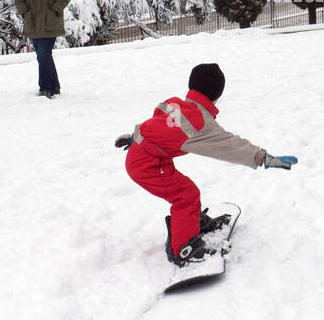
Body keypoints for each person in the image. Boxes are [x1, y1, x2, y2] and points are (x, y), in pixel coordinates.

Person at [115, 63, 298, 266]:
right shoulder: (200, 124)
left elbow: (155, 124)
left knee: (187, 191)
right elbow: (231, 146)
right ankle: (182, 248)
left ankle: (190, 223)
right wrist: (263, 158)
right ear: (217, 95)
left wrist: (133, 138)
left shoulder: (174, 103)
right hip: (146, 164)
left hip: (147, 156)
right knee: (186, 195)